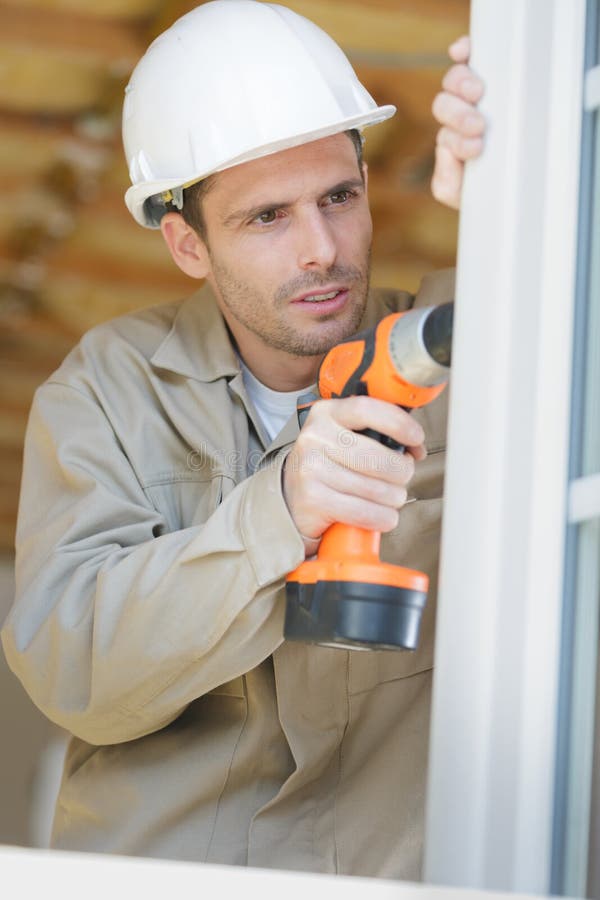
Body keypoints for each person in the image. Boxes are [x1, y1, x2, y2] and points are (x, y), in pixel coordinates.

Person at [1, 0, 484, 881]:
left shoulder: (461, 358)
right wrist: (282, 513)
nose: (322, 250)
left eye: (340, 197)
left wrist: (509, 206)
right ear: (188, 244)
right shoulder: (106, 392)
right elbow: (75, 668)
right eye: (268, 218)